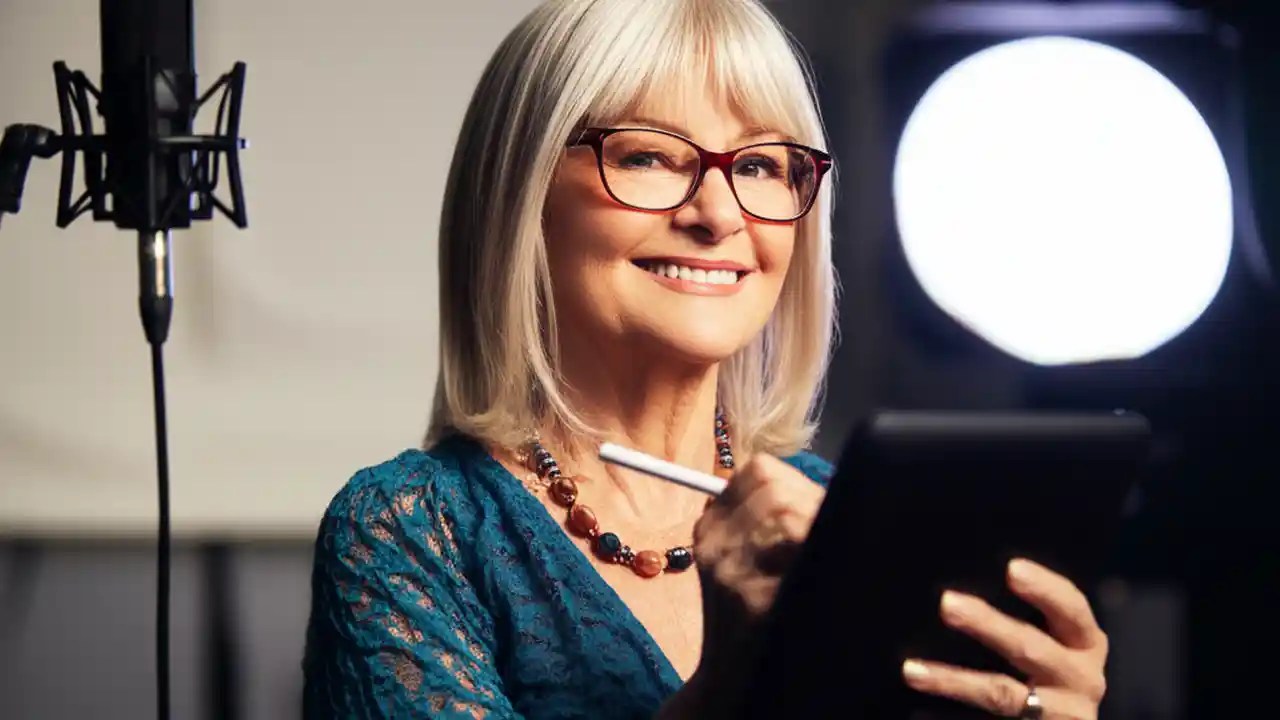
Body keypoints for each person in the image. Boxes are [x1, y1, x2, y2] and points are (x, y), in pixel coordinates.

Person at [302, 0, 1110, 718]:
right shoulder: (405, 532)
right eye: (648, 156)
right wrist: (729, 685)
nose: (719, 214)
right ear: (519, 193)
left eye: (758, 165)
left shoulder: (849, 517)